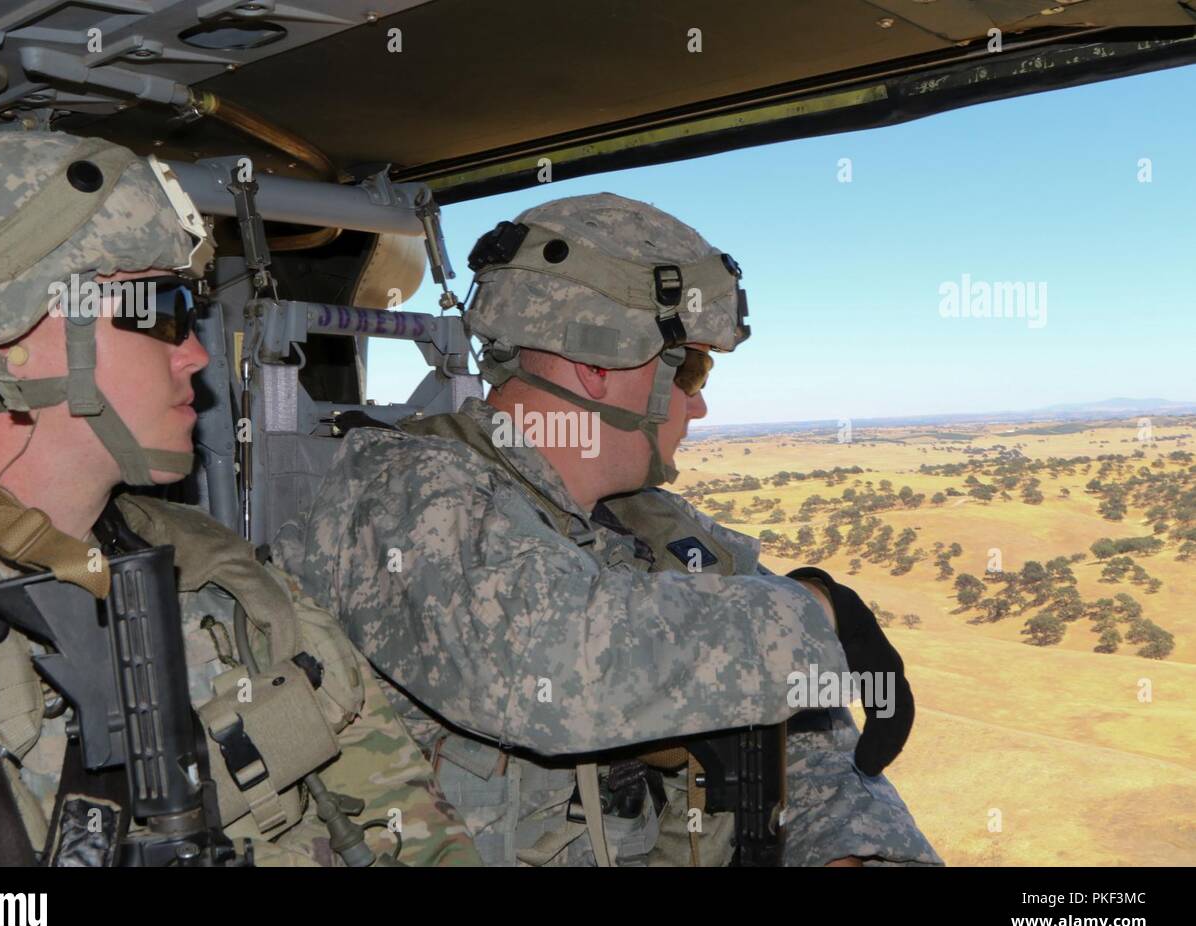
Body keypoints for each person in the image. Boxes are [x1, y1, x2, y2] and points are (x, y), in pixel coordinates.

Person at [274, 192, 943, 867]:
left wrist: (852, 854)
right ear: (598, 364)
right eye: (689, 369)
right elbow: (555, 661)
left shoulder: (649, 526)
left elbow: (804, 745)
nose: (701, 402)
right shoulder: (401, 494)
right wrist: (816, 615)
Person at [0, 129, 478, 867]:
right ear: (2, 340)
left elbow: (413, 836)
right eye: (159, 308)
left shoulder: (226, 584)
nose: (197, 350)